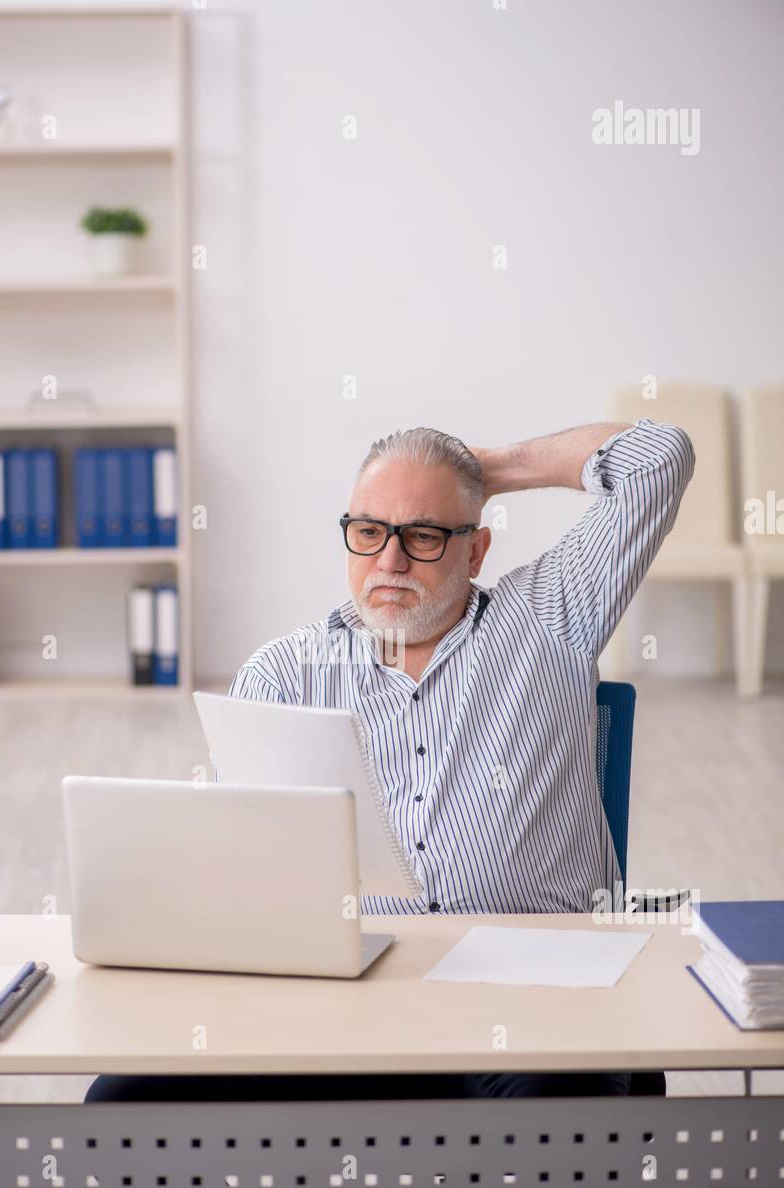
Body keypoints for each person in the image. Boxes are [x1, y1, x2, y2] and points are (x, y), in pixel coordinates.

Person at [85, 416, 694, 1104]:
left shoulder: (549, 618)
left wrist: (482, 467)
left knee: (551, 1115)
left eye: (424, 534)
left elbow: (657, 456)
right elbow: (242, 883)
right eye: (369, 532)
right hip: (345, 1006)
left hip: (530, 999)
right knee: (127, 1101)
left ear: (475, 550)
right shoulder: (283, 677)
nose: (389, 561)